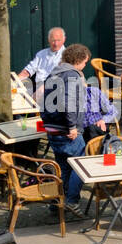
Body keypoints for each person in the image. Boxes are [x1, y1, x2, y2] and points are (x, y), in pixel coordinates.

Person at [42, 44, 93, 211]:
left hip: (52, 130)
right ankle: (71, 201)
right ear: (78, 60)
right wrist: (71, 126)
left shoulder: (53, 73)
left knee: (64, 168)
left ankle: (57, 204)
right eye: (85, 62)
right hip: (67, 130)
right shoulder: (72, 75)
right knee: (81, 165)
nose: (85, 66)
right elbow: (68, 102)